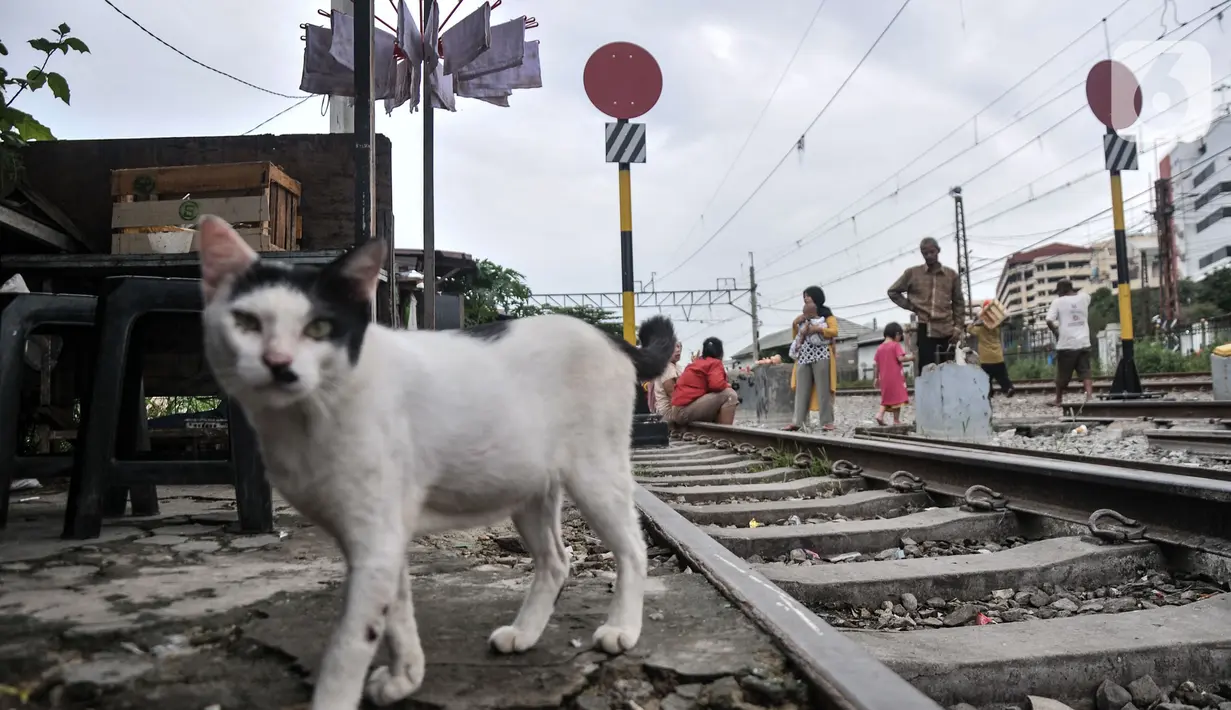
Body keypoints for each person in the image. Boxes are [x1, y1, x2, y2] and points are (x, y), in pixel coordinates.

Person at [887, 237, 965, 375]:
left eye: (932, 252)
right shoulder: (912, 273)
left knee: (948, 369)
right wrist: (912, 307)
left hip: (947, 329)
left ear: (938, 251)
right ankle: (928, 396)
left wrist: (958, 327)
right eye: (925, 253)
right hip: (925, 327)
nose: (929, 255)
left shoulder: (951, 275)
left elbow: (958, 302)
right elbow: (893, 292)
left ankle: (947, 396)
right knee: (927, 369)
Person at [784, 287, 839, 431]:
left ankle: (827, 421)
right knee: (801, 390)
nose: (805, 298)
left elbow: (834, 331)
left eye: (808, 296)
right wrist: (795, 323)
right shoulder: (803, 316)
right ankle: (797, 421)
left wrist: (819, 329)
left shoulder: (827, 315)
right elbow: (795, 337)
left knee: (823, 389)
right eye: (804, 297)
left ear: (816, 297)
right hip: (803, 356)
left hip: (822, 355)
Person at [663, 337, 739, 425]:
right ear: (720, 352)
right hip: (683, 412)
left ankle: (716, 430)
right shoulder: (715, 363)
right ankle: (725, 434)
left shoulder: (697, 363)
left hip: (677, 410)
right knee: (730, 394)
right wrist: (727, 385)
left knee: (721, 394)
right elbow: (716, 385)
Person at [1045, 279, 1093, 406]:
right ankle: (1089, 397)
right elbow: (1086, 298)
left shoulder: (1058, 302)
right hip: (1084, 342)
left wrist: (1056, 331)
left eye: (1058, 292)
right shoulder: (1084, 297)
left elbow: (1049, 320)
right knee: (1085, 371)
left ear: (1062, 290)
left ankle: (1058, 399)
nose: (1058, 294)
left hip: (1066, 344)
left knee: (1062, 374)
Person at [968, 300, 1015, 398]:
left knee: (986, 378)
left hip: (986, 358)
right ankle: (1008, 388)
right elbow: (1005, 321)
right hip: (998, 357)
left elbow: (969, 329)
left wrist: (975, 321)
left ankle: (989, 392)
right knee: (1002, 377)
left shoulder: (979, 329)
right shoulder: (997, 327)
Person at [873, 322, 913, 425]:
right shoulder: (895, 345)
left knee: (887, 397)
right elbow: (901, 358)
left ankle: (880, 415)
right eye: (900, 336)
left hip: (884, 378)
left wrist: (876, 378)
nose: (900, 338)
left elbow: (876, 365)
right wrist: (912, 357)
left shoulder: (880, 348)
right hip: (895, 378)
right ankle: (895, 420)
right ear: (897, 334)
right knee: (898, 398)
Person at [648, 340, 683, 423]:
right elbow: (674, 395)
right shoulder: (667, 367)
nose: (678, 350)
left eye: (678, 347)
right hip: (668, 413)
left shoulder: (676, 366)